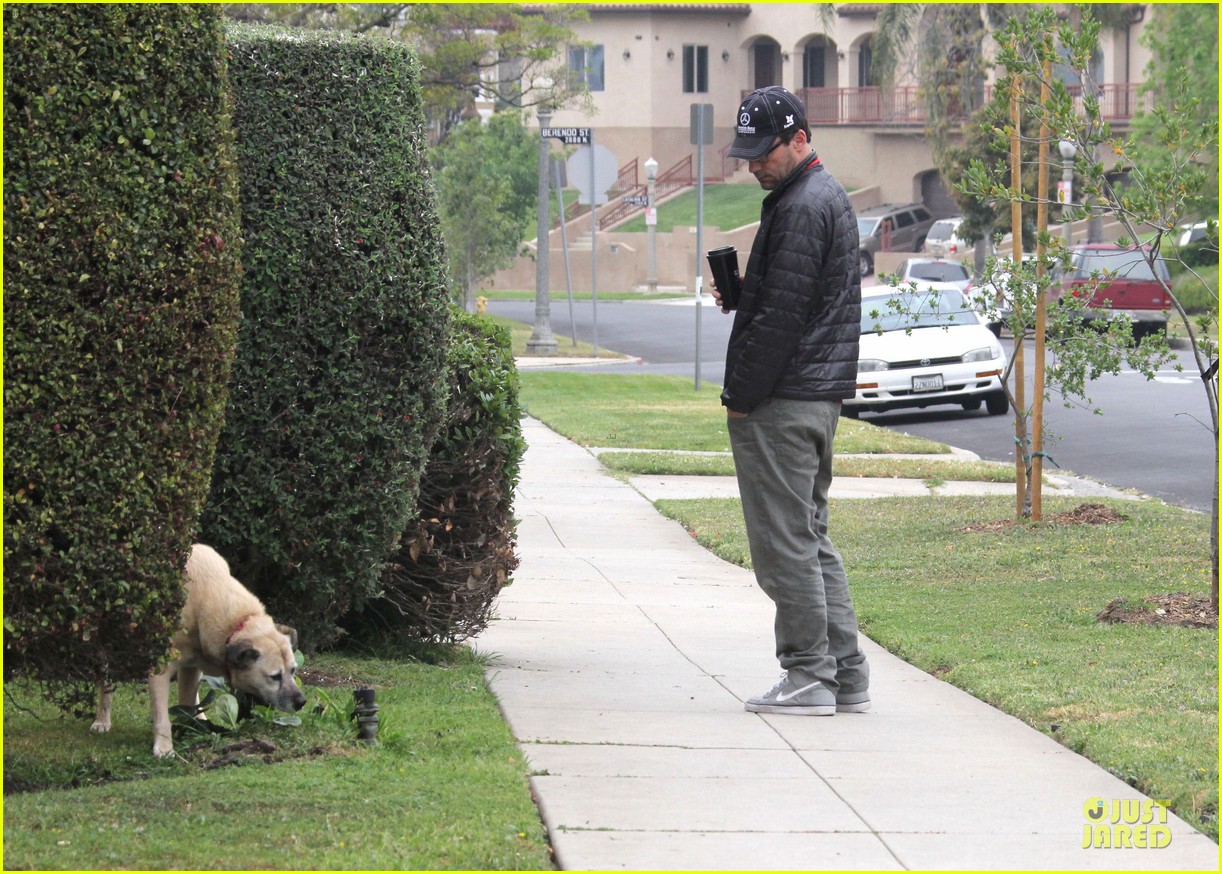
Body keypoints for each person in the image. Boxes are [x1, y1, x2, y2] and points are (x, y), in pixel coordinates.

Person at [710, 86, 870, 716]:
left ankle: (808, 675)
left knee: (784, 546)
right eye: (745, 152)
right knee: (810, 538)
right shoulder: (814, 195)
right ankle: (846, 674)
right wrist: (747, 292)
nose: (753, 164)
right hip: (813, 395)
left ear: (799, 138)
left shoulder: (802, 205)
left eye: (763, 151)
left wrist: (741, 397)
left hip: (783, 398)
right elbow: (792, 298)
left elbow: (781, 322)